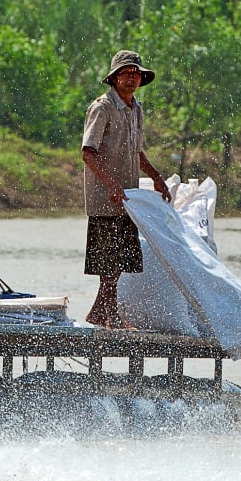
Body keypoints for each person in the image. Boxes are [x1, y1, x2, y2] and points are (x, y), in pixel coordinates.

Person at [80, 49, 169, 327]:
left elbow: (136, 151)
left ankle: (101, 313)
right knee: (108, 263)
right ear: (114, 78)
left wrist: (156, 177)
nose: (131, 78)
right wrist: (112, 184)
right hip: (106, 197)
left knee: (120, 261)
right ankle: (109, 315)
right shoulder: (103, 108)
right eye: (125, 73)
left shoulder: (136, 109)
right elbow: (88, 152)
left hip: (127, 198)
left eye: (135, 74)